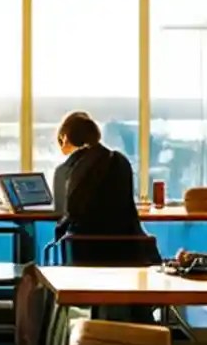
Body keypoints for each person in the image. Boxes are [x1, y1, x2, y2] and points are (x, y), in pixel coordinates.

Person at [51, 111, 158, 266]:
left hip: (83, 250)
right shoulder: (119, 160)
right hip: (128, 250)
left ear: (66, 138)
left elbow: (61, 212)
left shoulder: (64, 170)